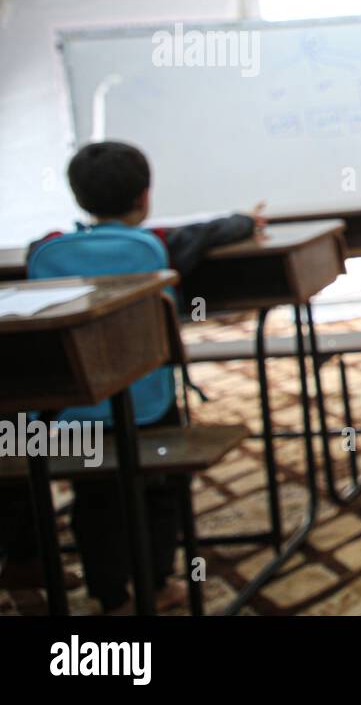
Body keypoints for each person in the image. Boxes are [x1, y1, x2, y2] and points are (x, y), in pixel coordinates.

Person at [9, 140, 264, 614]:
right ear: (145, 196)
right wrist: (249, 220)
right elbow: (215, 231)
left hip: (70, 412)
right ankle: (160, 581)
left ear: (78, 196)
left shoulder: (44, 249)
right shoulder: (161, 244)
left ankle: (109, 596)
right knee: (159, 488)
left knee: (94, 497)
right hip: (146, 408)